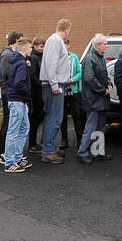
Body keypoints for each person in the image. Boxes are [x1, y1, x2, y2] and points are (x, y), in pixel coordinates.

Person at [38, 20, 72, 164]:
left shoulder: (54, 40)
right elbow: (51, 63)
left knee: (52, 117)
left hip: (54, 84)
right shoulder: (56, 40)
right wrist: (54, 84)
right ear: (67, 29)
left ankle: (48, 146)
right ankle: (48, 151)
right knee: (55, 117)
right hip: (54, 86)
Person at [78, 34, 115, 164]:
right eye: (104, 44)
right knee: (91, 127)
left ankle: (97, 152)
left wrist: (109, 84)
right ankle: (82, 152)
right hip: (93, 99)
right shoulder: (90, 59)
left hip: (100, 99)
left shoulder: (100, 58)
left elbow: (104, 75)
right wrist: (103, 89)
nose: (106, 46)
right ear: (97, 45)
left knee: (100, 126)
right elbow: (89, 79)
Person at [1, 36, 33, 172]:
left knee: (24, 127)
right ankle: (9, 161)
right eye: (31, 47)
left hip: (20, 100)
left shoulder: (20, 62)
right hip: (17, 100)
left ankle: (18, 158)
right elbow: (19, 82)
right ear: (25, 48)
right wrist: (27, 93)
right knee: (14, 130)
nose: (31, 49)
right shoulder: (20, 64)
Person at [0, 32, 23, 164]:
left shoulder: (11, 54)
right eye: (20, 41)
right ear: (15, 41)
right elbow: (4, 73)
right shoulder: (7, 54)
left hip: (10, 92)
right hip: (7, 92)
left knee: (10, 121)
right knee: (7, 121)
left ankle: (8, 151)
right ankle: (1, 152)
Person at [27, 36, 46, 154]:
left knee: (39, 117)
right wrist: (41, 84)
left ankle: (34, 142)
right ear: (35, 46)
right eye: (41, 46)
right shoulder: (34, 58)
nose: (43, 48)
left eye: (44, 46)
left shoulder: (41, 57)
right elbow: (33, 75)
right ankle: (31, 143)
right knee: (35, 118)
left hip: (40, 91)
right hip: (36, 92)